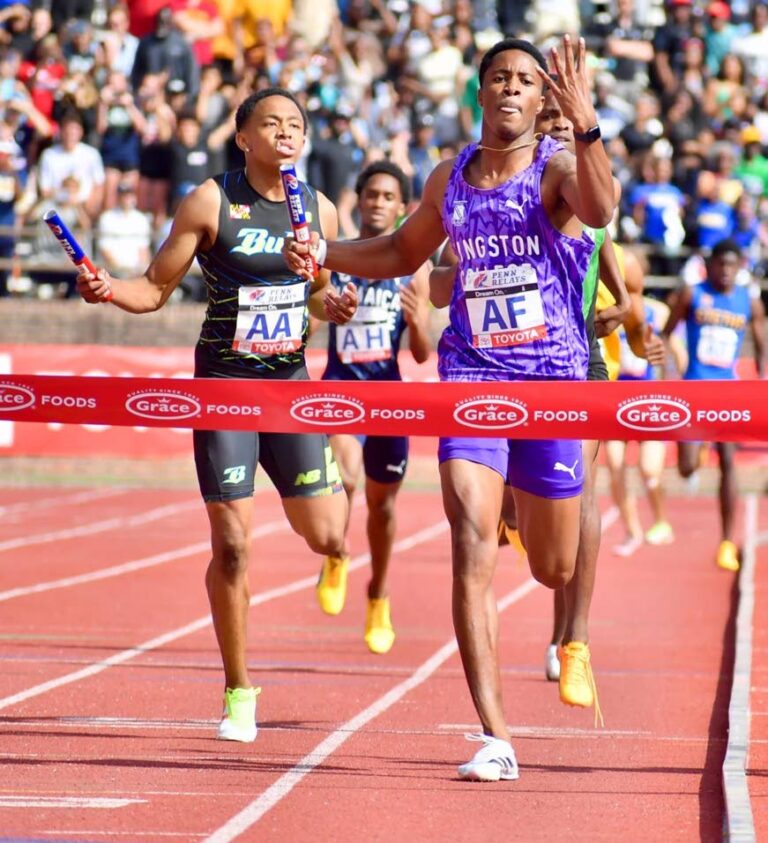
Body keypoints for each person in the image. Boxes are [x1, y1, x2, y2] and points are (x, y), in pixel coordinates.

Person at [285, 35, 619, 781]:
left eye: (525, 82)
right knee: (469, 539)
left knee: (553, 568)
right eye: (497, 78)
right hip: (472, 378)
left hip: (554, 385)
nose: (509, 89)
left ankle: (530, 533)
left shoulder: (559, 167)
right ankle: (496, 737)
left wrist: (587, 118)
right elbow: (404, 252)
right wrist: (324, 251)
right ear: (479, 91)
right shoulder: (449, 177)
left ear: (542, 100)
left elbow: (602, 205)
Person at [77, 87, 358, 744]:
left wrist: (335, 307)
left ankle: (338, 551)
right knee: (232, 545)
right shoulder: (211, 199)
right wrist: (107, 288)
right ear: (244, 136)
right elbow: (152, 289)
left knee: (328, 534)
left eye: (296, 124)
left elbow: (319, 297)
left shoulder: (318, 208)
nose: (286, 133)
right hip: (225, 389)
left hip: (290, 386)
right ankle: (238, 688)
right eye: (272, 123)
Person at [316, 161, 431, 653]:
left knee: (383, 507)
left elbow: (424, 351)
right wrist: (322, 310)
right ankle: (337, 553)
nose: (379, 203)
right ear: (358, 201)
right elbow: (310, 319)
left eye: (389, 197)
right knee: (344, 478)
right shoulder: (336, 258)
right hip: (342, 387)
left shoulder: (415, 268)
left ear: (403, 208)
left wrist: (417, 320)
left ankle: (378, 593)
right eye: (372, 195)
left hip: (389, 396)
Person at [662, 238, 765, 571]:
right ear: (711, 266)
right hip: (693, 389)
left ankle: (726, 542)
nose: (726, 271)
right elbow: (666, 333)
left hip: (728, 395)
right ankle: (698, 448)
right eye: (721, 264)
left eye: (732, 266)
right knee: (686, 468)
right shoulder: (693, 294)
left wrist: (762, 381)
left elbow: (761, 344)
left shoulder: (749, 302)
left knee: (729, 464)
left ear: (740, 268)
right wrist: (667, 370)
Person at [604, 288, 683, 558]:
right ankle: (632, 530)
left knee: (649, 470)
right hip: (615, 401)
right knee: (615, 467)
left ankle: (662, 521)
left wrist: (681, 381)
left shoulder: (657, 311)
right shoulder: (608, 308)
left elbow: (675, 346)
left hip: (649, 402)